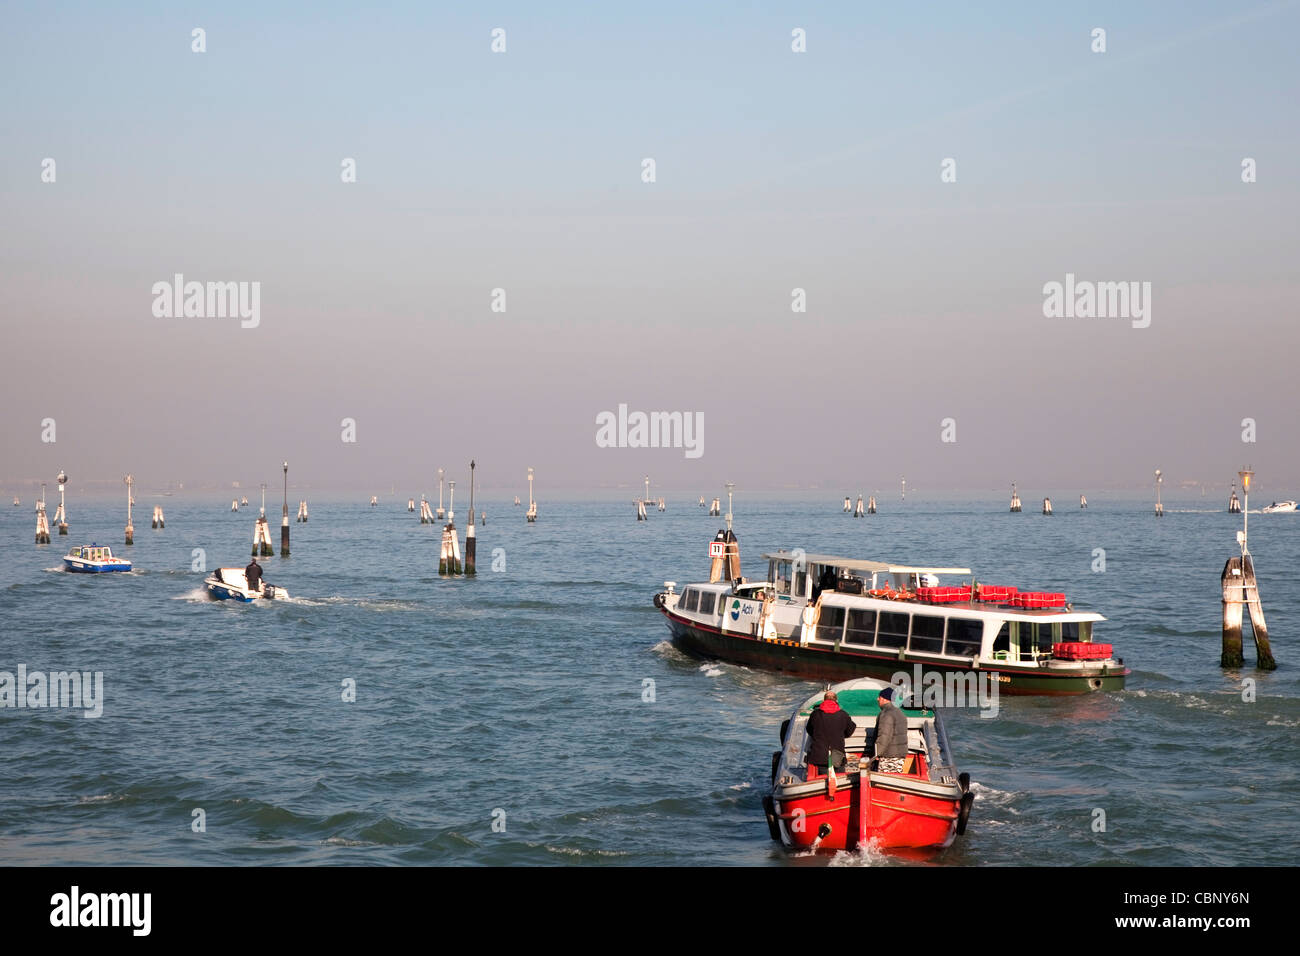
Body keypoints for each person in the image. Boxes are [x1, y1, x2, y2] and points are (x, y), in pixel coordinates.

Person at [805, 690, 856, 774]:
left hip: (819, 755)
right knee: (839, 780)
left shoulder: (815, 714)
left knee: (823, 780)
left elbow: (809, 730)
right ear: (836, 701)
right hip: (837, 754)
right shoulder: (843, 715)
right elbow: (850, 730)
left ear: (824, 700)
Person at [873, 686, 909, 773]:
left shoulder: (887, 714)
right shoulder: (900, 713)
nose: (878, 699)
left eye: (880, 697)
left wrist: (877, 753)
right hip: (899, 754)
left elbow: (884, 736)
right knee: (894, 779)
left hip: (889, 756)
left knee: (884, 782)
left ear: (885, 699)